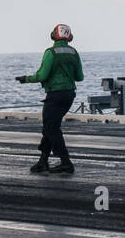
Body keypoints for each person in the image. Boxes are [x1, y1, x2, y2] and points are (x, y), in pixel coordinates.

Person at [16, 23, 84, 174]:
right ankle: (43, 161)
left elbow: (42, 75)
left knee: (51, 128)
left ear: (54, 35)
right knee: (50, 126)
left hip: (55, 95)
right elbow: (80, 77)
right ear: (69, 37)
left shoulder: (51, 52)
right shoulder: (74, 52)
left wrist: (25, 79)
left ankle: (66, 162)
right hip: (69, 95)